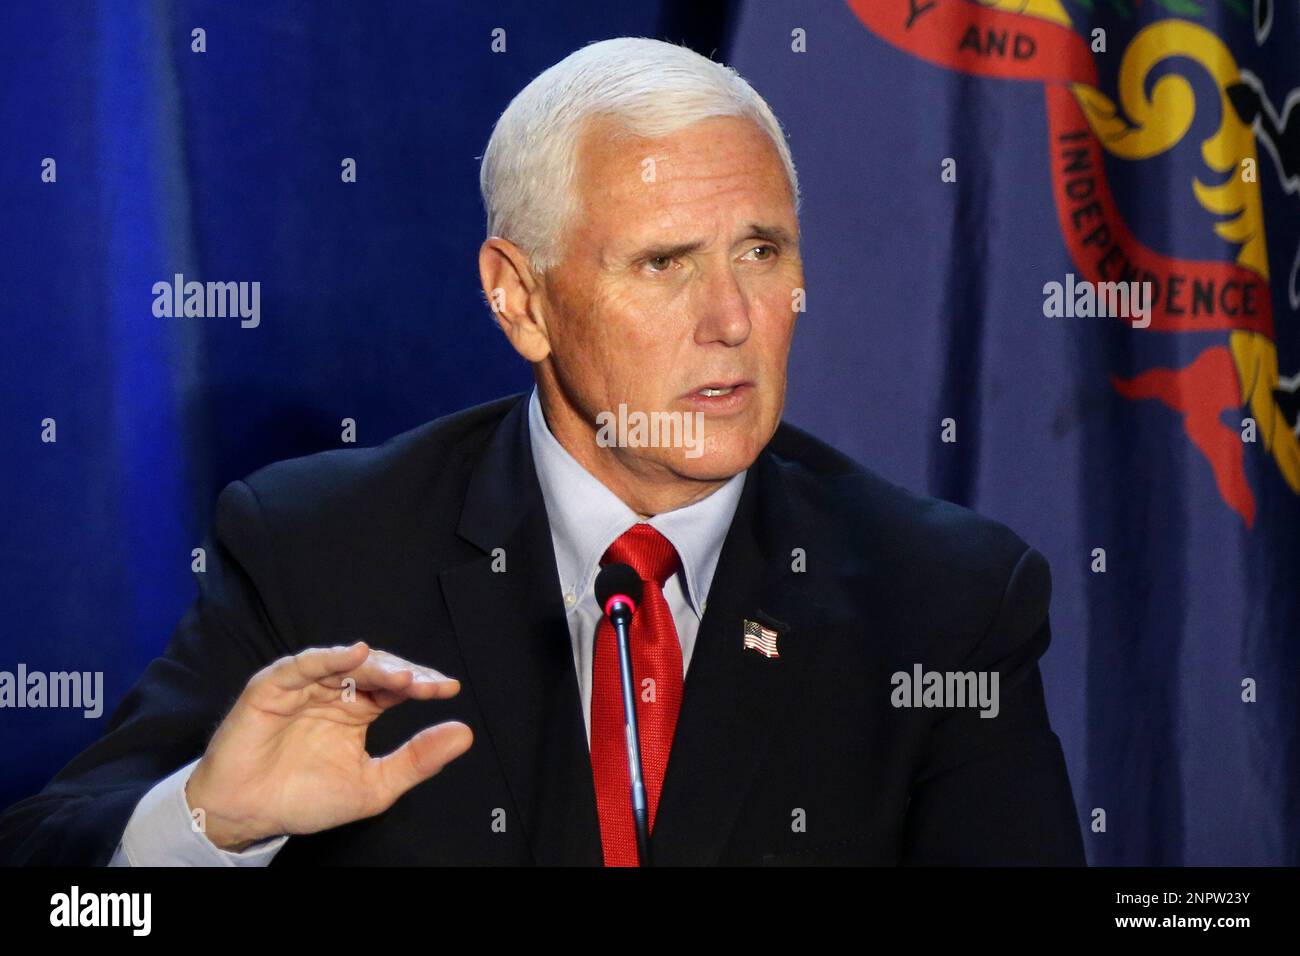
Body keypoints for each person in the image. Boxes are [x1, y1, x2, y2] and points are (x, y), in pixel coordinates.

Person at [0, 37, 1084, 866]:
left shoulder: (945, 598)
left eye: (761, 250)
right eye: (662, 263)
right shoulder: (319, 549)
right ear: (520, 299)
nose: (733, 318)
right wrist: (206, 821)